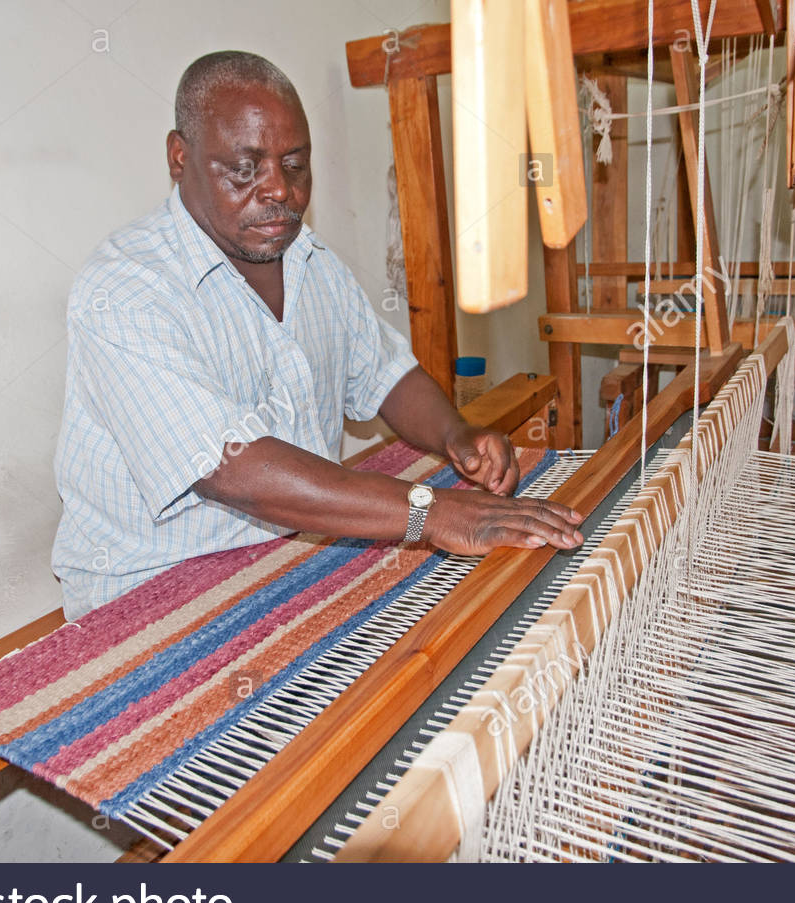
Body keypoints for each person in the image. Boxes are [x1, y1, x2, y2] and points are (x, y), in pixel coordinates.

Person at [51, 51, 583, 620]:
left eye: (294, 164)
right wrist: (434, 512)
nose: (278, 190)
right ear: (179, 158)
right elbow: (232, 468)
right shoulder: (126, 287)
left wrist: (456, 434)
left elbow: (384, 375)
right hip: (153, 590)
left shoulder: (310, 259)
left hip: (290, 552)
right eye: (245, 168)